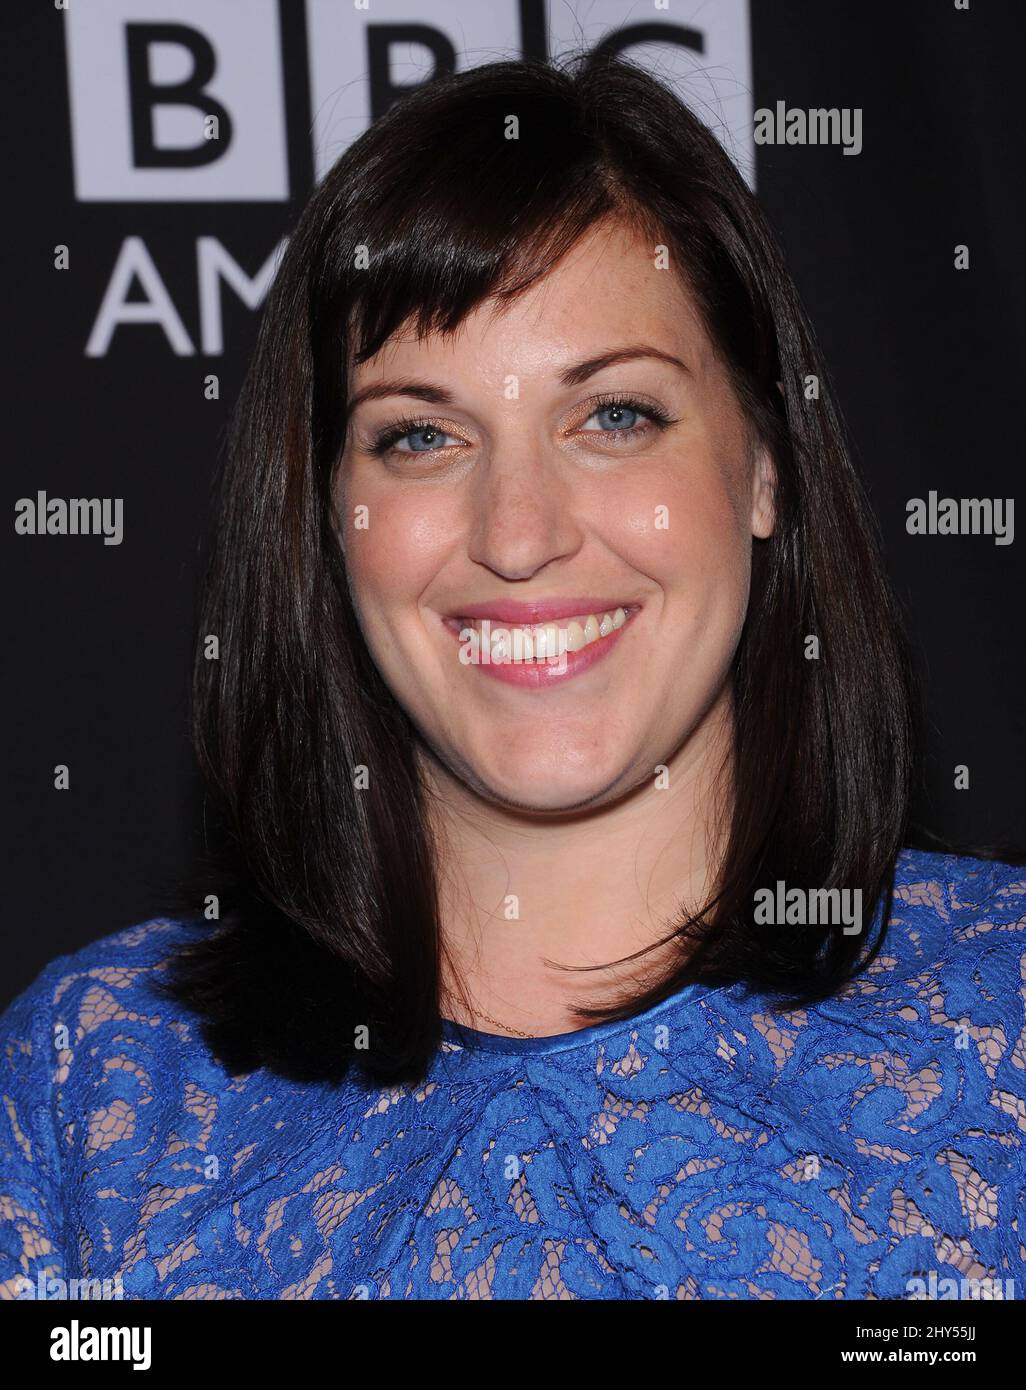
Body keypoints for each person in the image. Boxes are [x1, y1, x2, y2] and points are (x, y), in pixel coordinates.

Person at [2, 53, 1023, 1302]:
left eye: (615, 416)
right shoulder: (92, 1087)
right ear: (327, 514)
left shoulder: (1008, 1016)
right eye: (420, 436)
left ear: (766, 467)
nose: (519, 529)